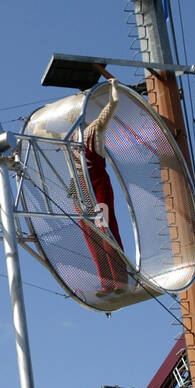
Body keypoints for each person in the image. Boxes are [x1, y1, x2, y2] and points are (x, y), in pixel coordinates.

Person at [70, 70, 129, 298]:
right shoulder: (67, 140)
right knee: (90, 234)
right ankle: (106, 282)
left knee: (106, 229)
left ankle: (120, 280)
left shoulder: (93, 129)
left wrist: (113, 87)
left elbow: (112, 105)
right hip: (79, 189)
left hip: (97, 184)